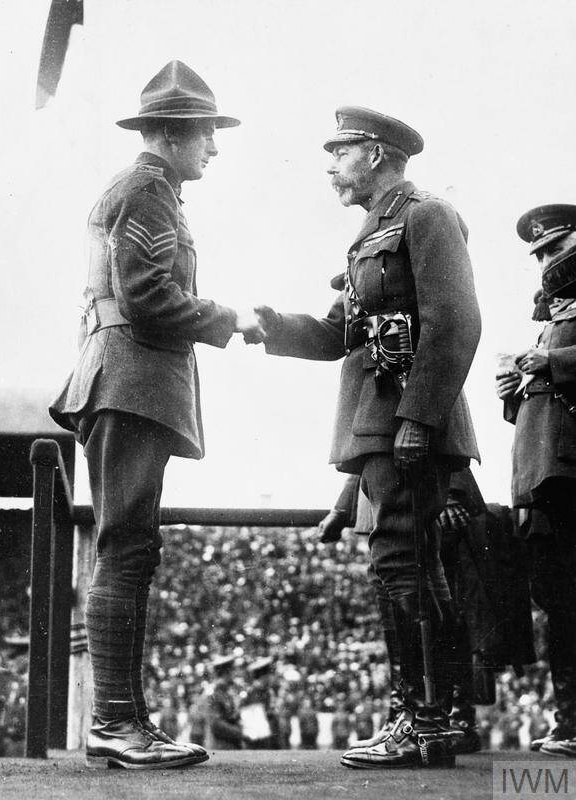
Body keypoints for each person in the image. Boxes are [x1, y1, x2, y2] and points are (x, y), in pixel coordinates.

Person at [49, 60, 264, 770]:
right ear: (171, 135)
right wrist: (226, 317)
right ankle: (114, 722)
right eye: (205, 134)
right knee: (125, 547)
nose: (213, 147)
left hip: (129, 383)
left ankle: (124, 720)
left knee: (131, 547)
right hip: (131, 383)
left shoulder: (149, 189)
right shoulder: (146, 190)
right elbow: (145, 299)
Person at [254, 106, 481, 768]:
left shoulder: (424, 216)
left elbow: (455, 319)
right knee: (406, 565)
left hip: (403, 422)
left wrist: (417, 417)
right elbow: (336, 334)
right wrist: (270, 326)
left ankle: (421, 721)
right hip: (379, 424)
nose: (329, 167)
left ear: (376, 154)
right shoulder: (370, 233)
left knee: (403, 565)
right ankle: (429, 719)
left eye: (339, 152)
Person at [319, 470, 485, 755]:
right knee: (398, 606)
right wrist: (342, 507)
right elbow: (368, 452)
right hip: (388, 504)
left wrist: (453, 492)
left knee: (433, 602)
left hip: (419, 500)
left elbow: (424, 432)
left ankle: (447, 719)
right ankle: (404, 719)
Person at [495, 204, 576, 758]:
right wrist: (514, 391)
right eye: (542, 253)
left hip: (569, 475)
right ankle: (569, 721)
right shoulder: (553, 315)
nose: (548, 260)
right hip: (546, 478)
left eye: (557, 246)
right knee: (559, 601)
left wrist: (552, 362)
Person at [205, 655, 246, 750]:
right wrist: (240, 732)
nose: (235, 674)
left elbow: (231, 715)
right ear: (226, 673)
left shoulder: (226, 692)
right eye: (232, 671)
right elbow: (216, 723)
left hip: (231, 744)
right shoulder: (215, 693)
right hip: (222, 746)